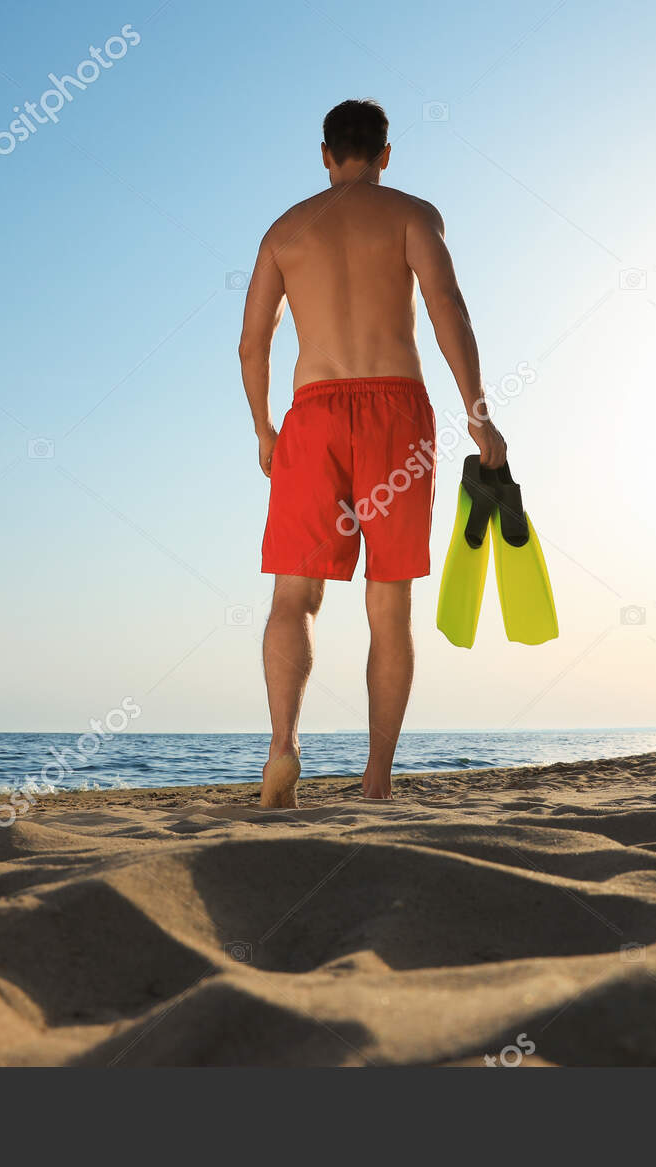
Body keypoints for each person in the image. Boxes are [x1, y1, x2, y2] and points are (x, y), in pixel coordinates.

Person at [238, 98, 506, 807]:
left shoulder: (284, 231)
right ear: (387, 154)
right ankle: (378, 779)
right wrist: (477, 413)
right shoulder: (413, 215)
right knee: (389, 601)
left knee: (294, 595)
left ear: (324, 154)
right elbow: (449, 306)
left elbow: (252, 343)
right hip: (395, 409)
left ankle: (282, 746)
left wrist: (265, 428)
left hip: (313, 413)